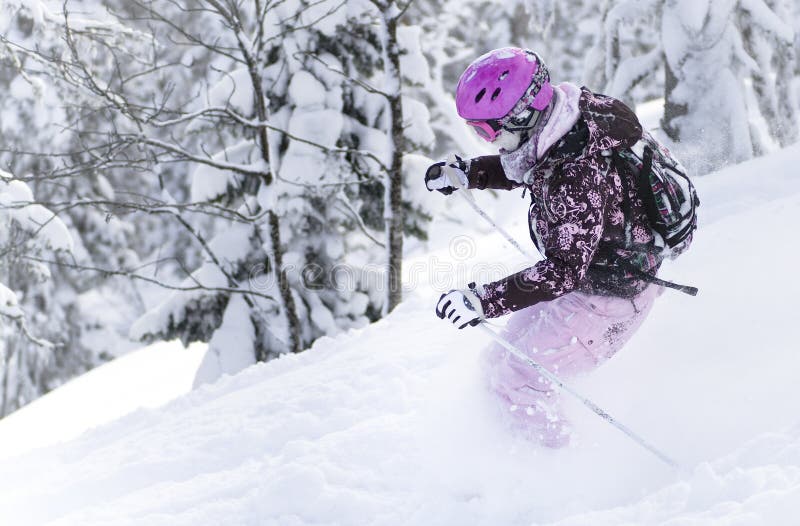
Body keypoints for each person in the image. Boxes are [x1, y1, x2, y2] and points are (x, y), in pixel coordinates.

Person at [426, 47, 675, 448]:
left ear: (522, 114)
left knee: (516, 381)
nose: (482, 137)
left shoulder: (575, 170)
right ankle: (509, 459)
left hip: (609, 298)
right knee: (496, 363)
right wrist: (470, 173)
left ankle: (560, 474)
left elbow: (562, 271)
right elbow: (529, 166)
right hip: (590, 281)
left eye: (487, 130)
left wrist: (482, 300)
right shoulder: (562, 125)